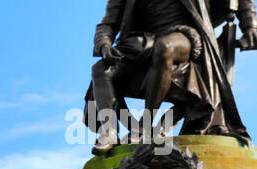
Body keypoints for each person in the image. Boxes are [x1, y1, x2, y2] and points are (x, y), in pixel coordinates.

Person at [86, 0, 257, 154]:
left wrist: (250, 25)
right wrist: (104, 45)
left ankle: (146, 126)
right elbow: (107, 24)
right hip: (145, 40)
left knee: (165, 47)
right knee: (101, 69)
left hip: (184, 34)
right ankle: (108, 132)